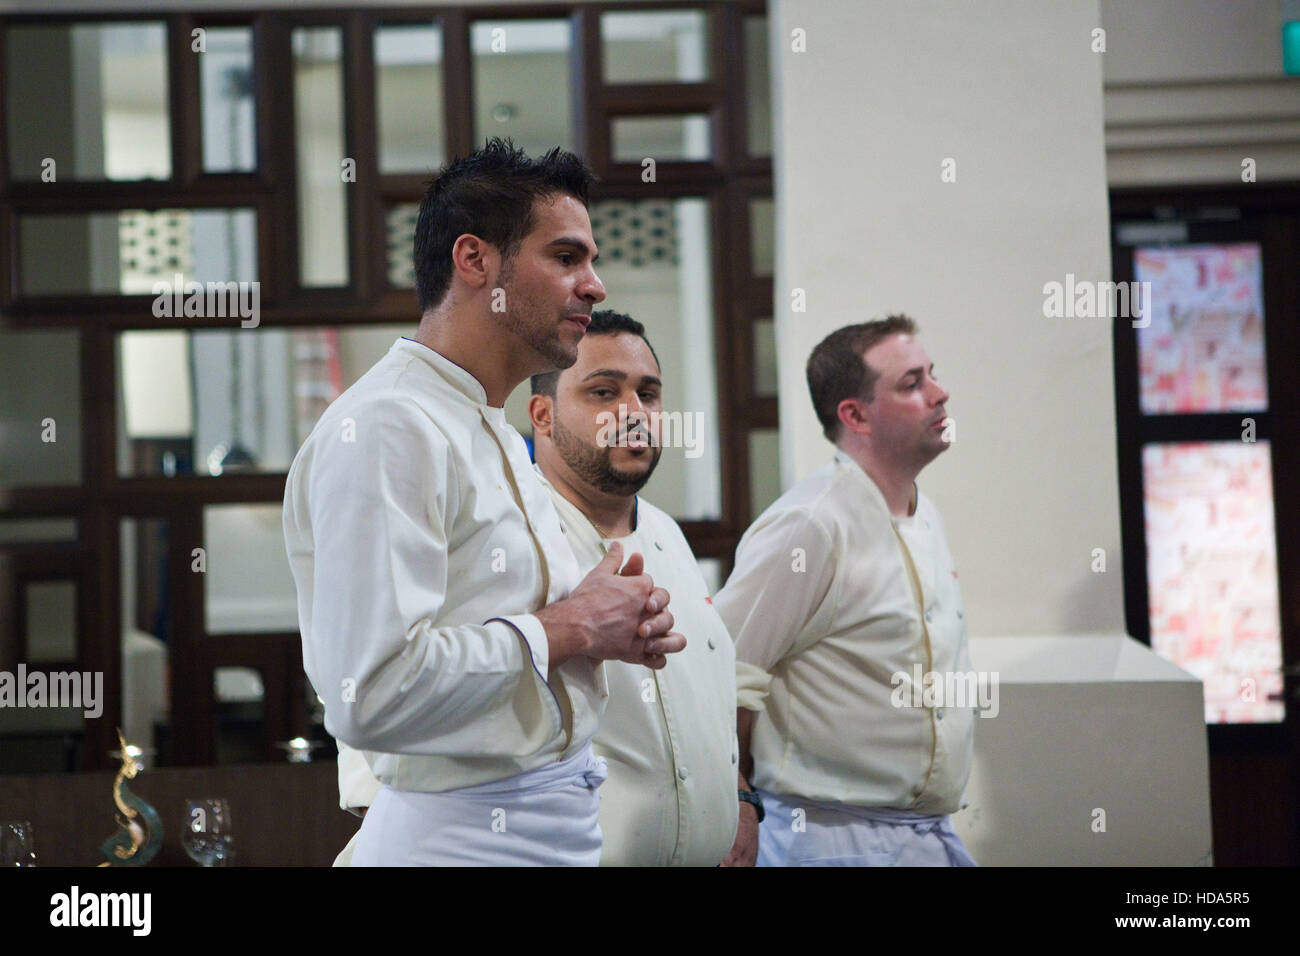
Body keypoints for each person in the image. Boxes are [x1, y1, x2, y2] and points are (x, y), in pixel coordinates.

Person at [283, 139, 683, 866]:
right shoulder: (387, 425)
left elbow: (505, 632)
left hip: (548, 825)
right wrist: (567, 628)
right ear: (475, 262)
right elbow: (368, 694)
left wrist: (603, 620)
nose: (594, 286)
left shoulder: (485, 424)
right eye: (566, 257)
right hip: (458, 841)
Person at [335, 310, 742, 866]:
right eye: (603, 392)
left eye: (648, 395)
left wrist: (738, 799)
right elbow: (378, 729)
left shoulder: (667, 534)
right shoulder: (501, 537)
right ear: (542, 415)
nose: (632, 414)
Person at [718, 316, 977, 867]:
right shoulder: (810, 524)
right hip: (831, 837)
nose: (940, 392)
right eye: (912, 384)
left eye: (932, 374)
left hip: (922, 833)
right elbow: (726, 677)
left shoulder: (925, 513)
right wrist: (737, 799)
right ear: (855, 415)